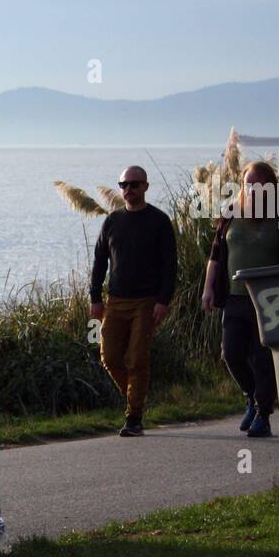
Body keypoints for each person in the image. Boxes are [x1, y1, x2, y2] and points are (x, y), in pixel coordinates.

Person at [200, 160, 279, 438]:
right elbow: (215, 256)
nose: (254, 189)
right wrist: (208, 288)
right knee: (231, 353)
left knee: (263, 358)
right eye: (249, 183)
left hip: (271, 300)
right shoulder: (231, 212)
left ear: (271, 187)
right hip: (235, 297)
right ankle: (250, 396)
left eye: (261, 184)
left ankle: (263, 413)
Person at [88, 166, 177, 437]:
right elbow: (99, 261)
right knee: (110, 357)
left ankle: (134, 418)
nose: (129, 189)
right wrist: (95, 298)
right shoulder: (112, 221)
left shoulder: (159, 221)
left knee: (137, 358)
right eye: (124, 184)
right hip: (115, 300)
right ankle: (136, 398)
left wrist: (163, 300)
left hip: (146, 302)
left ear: (146, 187)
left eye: (135, 184)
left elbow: (170, 265)